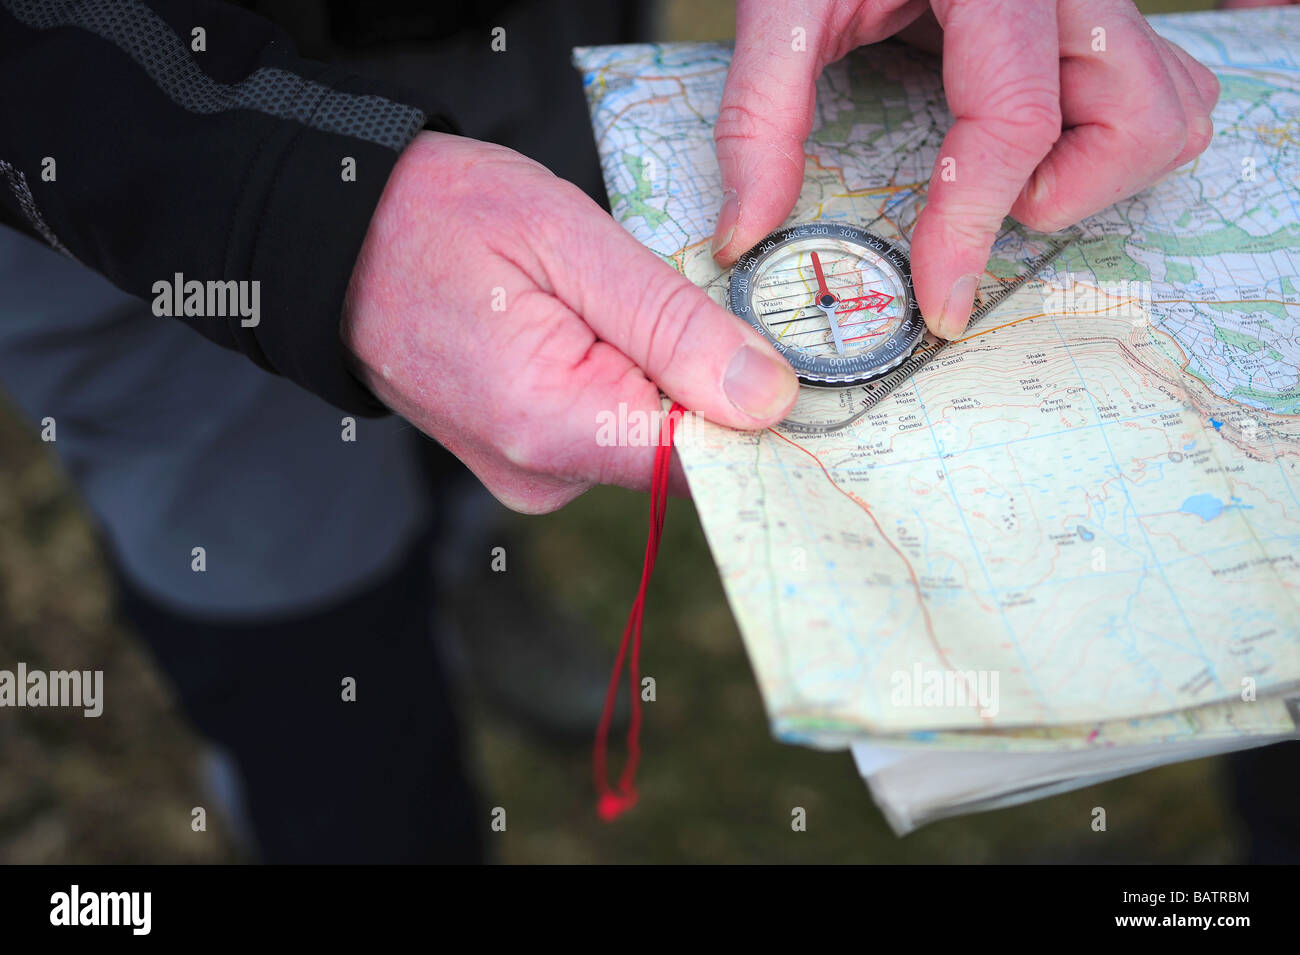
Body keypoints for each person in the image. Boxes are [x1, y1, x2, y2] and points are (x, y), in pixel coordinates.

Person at [0, 0, 1232, 862]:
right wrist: (293, 211)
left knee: (503, 426)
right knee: (317, 691)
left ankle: (470, 575)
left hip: (543, 38)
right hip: (136, 168)